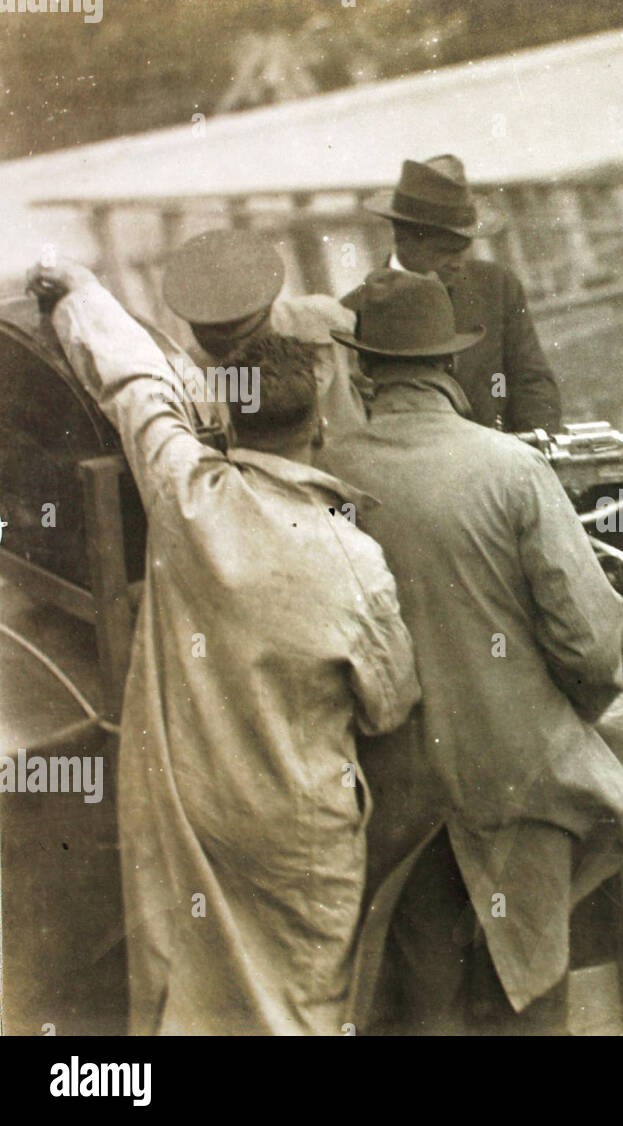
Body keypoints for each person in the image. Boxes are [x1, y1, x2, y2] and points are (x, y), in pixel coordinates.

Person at [30, 258, 421, 1035]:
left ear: (231, 423)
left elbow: (137, 388)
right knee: (301, 1008)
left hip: (193, 811)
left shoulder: (182, 491)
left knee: (195, 998)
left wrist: (80, 293)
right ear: (319, 424)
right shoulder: (352, 562)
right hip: (298, 832)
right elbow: (390, 707)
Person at [324, 269, 623, 1034]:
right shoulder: (511, 468)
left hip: (394, 783)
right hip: (515, 776)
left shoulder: (331, 475)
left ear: (365, 370)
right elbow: (592, 643)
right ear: (449, 365)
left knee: (424, 990)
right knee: (527, 985)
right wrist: (569, 709)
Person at [357, 154, 561, 432]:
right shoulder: (362, 309)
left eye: (463, 249)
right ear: (402, 239)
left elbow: (532, 383)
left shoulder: (496, 286)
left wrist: (533, 452)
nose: (457, 262)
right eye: (444, 251)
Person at [162, 228, 369, 440]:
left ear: (266, 308)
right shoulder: (186, 377)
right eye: (210, 334)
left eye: (239, 334)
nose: (232, 351)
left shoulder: (327, 321)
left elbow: (380, 393)